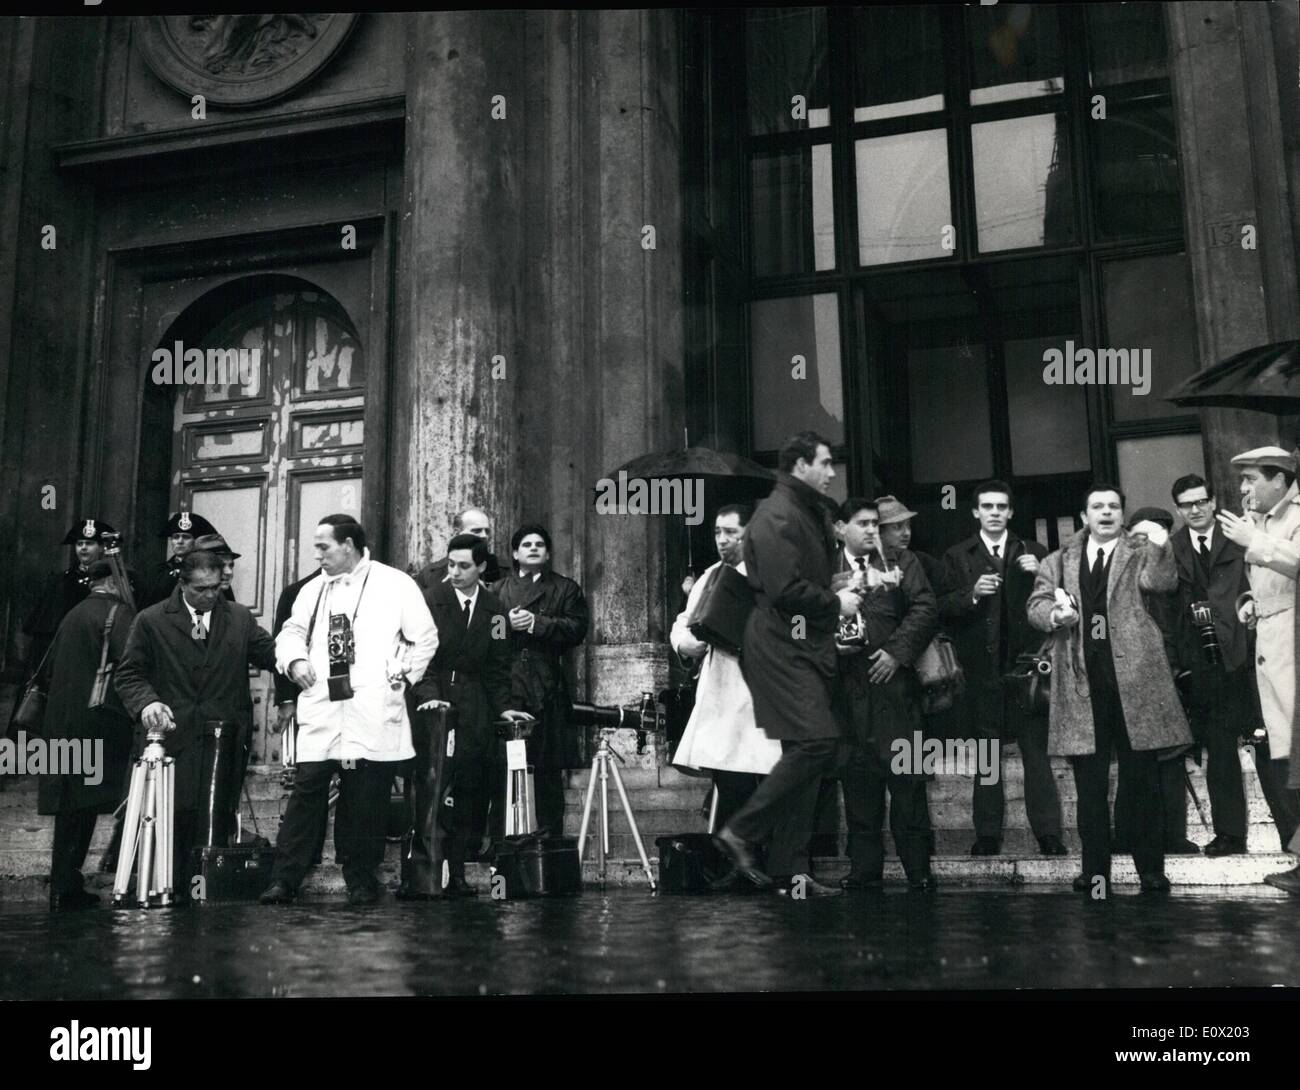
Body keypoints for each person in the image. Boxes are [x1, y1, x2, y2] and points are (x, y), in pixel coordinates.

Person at [712, 431, 862, 897]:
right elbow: (784, 591)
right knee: (817, 743)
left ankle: (790, 874)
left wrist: (837, 583)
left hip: (800, 643)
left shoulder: (799, 509)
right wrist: (837, 602)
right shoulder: (777, 514)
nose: (832, 472)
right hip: (781, 644)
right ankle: (740, 833)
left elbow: (797, 580)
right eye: (824, 463)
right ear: (800, 465)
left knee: (811, 753)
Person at [259, 516, 437, 905]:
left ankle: (360, 878)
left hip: (371, 707)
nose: (317, 554)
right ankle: (285, 878)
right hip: (323, 706)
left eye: (324, 546)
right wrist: (295, 662)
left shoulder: (394, 584)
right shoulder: (312, 590)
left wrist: (400, 674)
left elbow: (424, 637)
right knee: (307, 793)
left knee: (365, 798)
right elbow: (289, 633)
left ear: (350, 545)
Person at [1027, 484, 1193, 896]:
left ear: (1122, 514)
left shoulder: (1139, 551)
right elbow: (1035, 605)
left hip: (1135, 681)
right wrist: (1055, 614)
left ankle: (1150, 870)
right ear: (1084, 516)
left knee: (1143, 784)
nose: (1106, 513)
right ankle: (1095, 872)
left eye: (1114, 507)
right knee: (1090, 788)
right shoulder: (1058, 560)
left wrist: (1159, 547)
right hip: (1082, 682)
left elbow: (1162, 583)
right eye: (1097, 507)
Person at [114, 549, 278, 893]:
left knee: (214, 822)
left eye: (215, 588)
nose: (209, 596)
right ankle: (165, 891)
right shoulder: (151, 620)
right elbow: (128, 674)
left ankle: (202, 895)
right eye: (201, 589)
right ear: (182, 583)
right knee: (172, 820)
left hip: (223, 744)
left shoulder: (239, 618)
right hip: (175, 741)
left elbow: (273, 654)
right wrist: (148, 702)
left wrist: (298, 656)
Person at [940, 481, 1064, 857]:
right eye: (987, 507)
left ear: (1011, 512)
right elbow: (941, 607)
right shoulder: (959, 556)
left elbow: (1061, 601)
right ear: (975, 512)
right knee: (988, 756)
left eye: (1001, 507)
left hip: (1027, 671)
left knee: (1036, 755)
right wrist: (972, 593)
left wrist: (1043, 572)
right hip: (982, 672)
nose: (994, 512)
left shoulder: (1035, 551)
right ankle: (988, 835)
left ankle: (1048, 835)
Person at [409, 534, 532, 895]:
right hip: (436, 704)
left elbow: (497, 666)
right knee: (434, 787)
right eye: (451, 564)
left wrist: (503, 706)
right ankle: (427, 872)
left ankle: (460, 874)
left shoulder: (494, 610)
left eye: (464, 566)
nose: (455, 572)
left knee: (469, 789)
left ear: (481, 567)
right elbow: (422, 657)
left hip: (475, 705)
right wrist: (429, 697)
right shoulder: (432, 602)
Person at [834, 498, 938, 890]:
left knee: (908, 784)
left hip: (897, 691)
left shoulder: (900, 562)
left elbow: (925, 608)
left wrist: (897, 652)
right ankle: (864, 871)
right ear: (839, 529)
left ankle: (918, 870)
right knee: (858, 784)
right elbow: (800, 620)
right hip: (847, 693)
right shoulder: (825, 569)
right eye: (862, 524)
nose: (871, 531)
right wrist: (830, 646)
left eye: (875, 524)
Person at [1165, 475, 1264, 858]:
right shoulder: (1172, 548)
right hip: (1202, 662)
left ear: (1213, 500)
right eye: (1187, 504)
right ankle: (1230, 834)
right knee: (1219, 750)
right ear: (1178, 508)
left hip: (1246, 654)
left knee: (1268, 748)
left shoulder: (1238, 535)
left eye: (1202, 501)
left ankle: (1292, 832)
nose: (1196, 509)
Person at [1217, 447, 1300, 893]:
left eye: (1251, 479)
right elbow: (1268, 581)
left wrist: (1256, 544)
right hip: (1272, 646)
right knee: (1285, 755)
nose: (1244, 489)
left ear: (1280, 479)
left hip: (1294, 646)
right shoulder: (1264, 523)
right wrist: (1251, 603)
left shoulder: (1291, 519)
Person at [670, 504, 781, 832]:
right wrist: (684, 644)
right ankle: (737, 863)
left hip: (759, 689)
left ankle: (765, 860)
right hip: (720, 691)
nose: (722, 540)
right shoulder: (711, 574)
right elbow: (683, 622)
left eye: (731, 532)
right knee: (730, 777)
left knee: (764, 773)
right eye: (718, 532)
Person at [37, 561, 135, 911]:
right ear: (113, 581)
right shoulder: (118, 614)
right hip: (95, 724)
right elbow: (132, 664)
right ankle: (68, 884)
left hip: (59, 724)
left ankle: (65, 883)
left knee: (70, 809)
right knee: (85, 806)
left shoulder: (73, 614)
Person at [494, 523, 590, 835]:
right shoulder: (495, 591)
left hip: (546, 684)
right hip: (506, 685)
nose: (533, 548)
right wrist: (506, 625)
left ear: (547, 554)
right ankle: (504, 841)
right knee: (504, 766)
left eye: (539, 545)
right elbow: (484, 634)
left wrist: (538, 623)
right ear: (515, 553)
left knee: (547, 769)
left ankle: (548, 841)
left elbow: (577, 629)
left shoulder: (566, 588)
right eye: (526, 545)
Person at [1115, 506, 1200, 856]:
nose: (1145, 543)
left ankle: (1172, 835)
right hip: (1130, 673)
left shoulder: (1171, 571)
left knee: (1172, 756)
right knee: (1134, 758)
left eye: (1154, 537)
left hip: (1168, 672)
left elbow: (1178, 624)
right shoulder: (1119, 571)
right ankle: (1127, 835)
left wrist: (1180, 668)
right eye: (1138, 536)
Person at [138, 511, 217, 608]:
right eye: (175, 537)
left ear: (195, 541)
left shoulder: (208, 571)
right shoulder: (160, 572)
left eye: (186, 537)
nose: (180, 541)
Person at [415, 506, 504, 590]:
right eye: (477, 531)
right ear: (457, 533)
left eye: (487, 531)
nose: (484, 536)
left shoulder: (505, 571)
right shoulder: (432, 574)